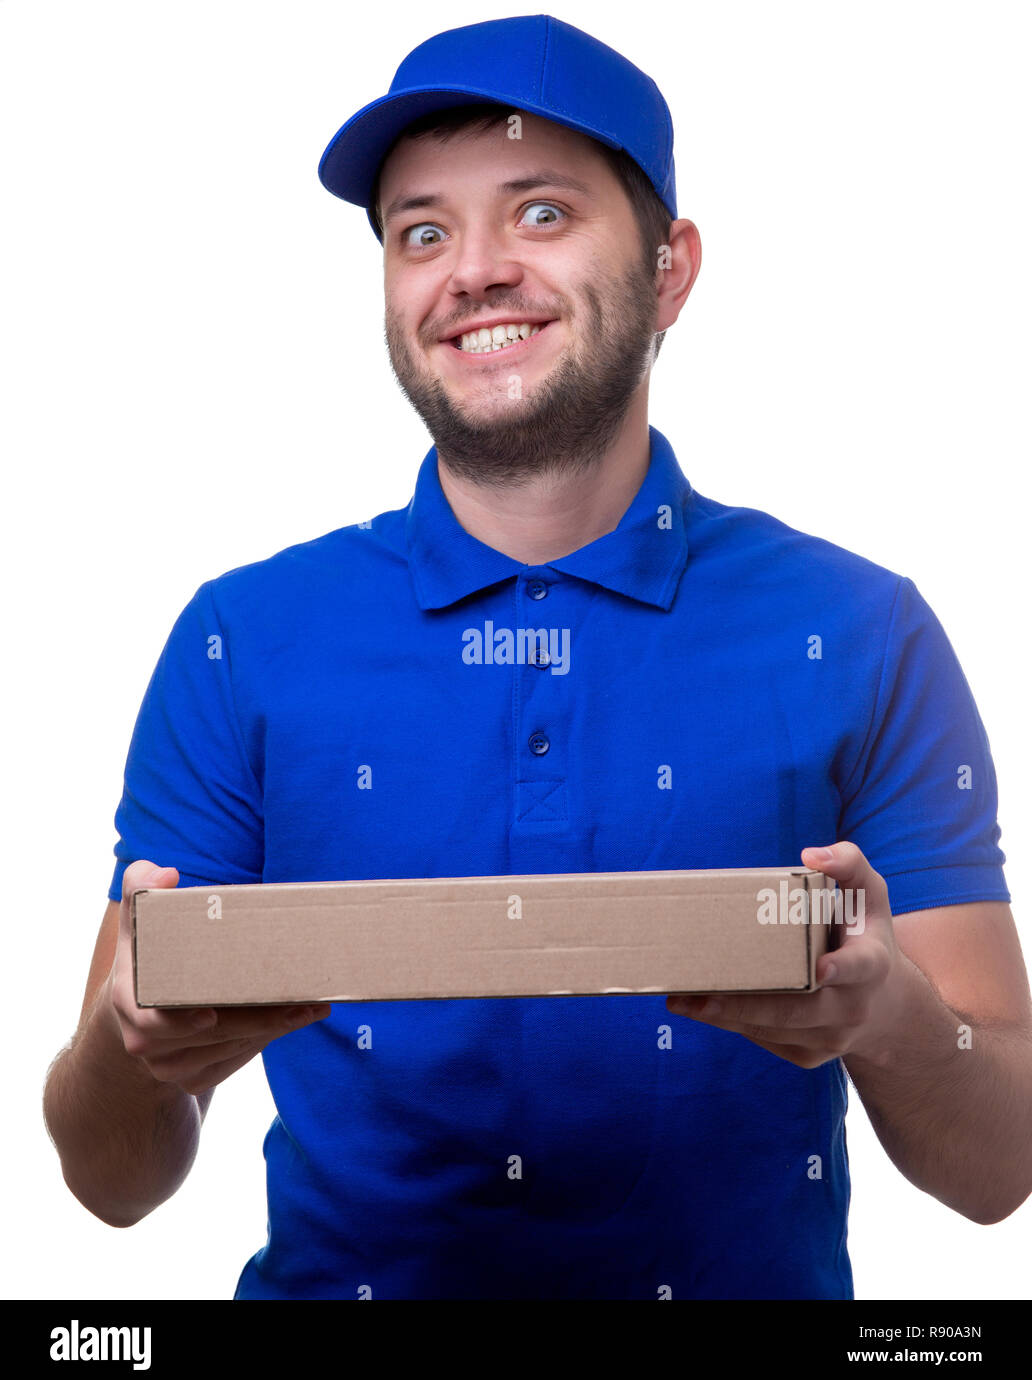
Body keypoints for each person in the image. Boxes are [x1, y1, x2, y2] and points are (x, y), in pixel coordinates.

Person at [43, 15, 1032, 1300]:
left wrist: (891, 1014)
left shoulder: (860, 630)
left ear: (672, 270)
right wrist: (132, 1051)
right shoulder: (242, 640)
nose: (474, 271)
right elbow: (108, 1183)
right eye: (423, 232)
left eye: (543, 213)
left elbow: (999, 1166)